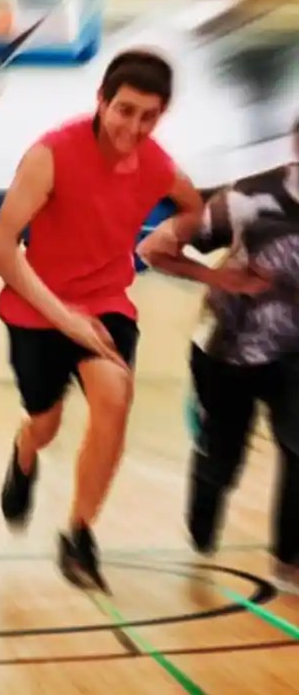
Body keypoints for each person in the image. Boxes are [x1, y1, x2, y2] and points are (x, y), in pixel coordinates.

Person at [0, 49, 204, 593]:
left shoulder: (156, 163)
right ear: (101, 101)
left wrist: (164, 239)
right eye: (124, 110)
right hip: (37, 309)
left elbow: (192, 205)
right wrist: (66, 318)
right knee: (46, 423)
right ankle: (24, 453)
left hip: (107, 304)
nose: (134, 126)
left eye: (148, 116)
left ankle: (79, 534)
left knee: (114, 395)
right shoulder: (51, 155)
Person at [137, 117, 298, 594]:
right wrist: (219, 278)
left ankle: (288, 563)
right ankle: (203, 517)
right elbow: (155, 248)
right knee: (223, 459)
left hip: (295, 356)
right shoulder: (247, 199)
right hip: (227, 353)